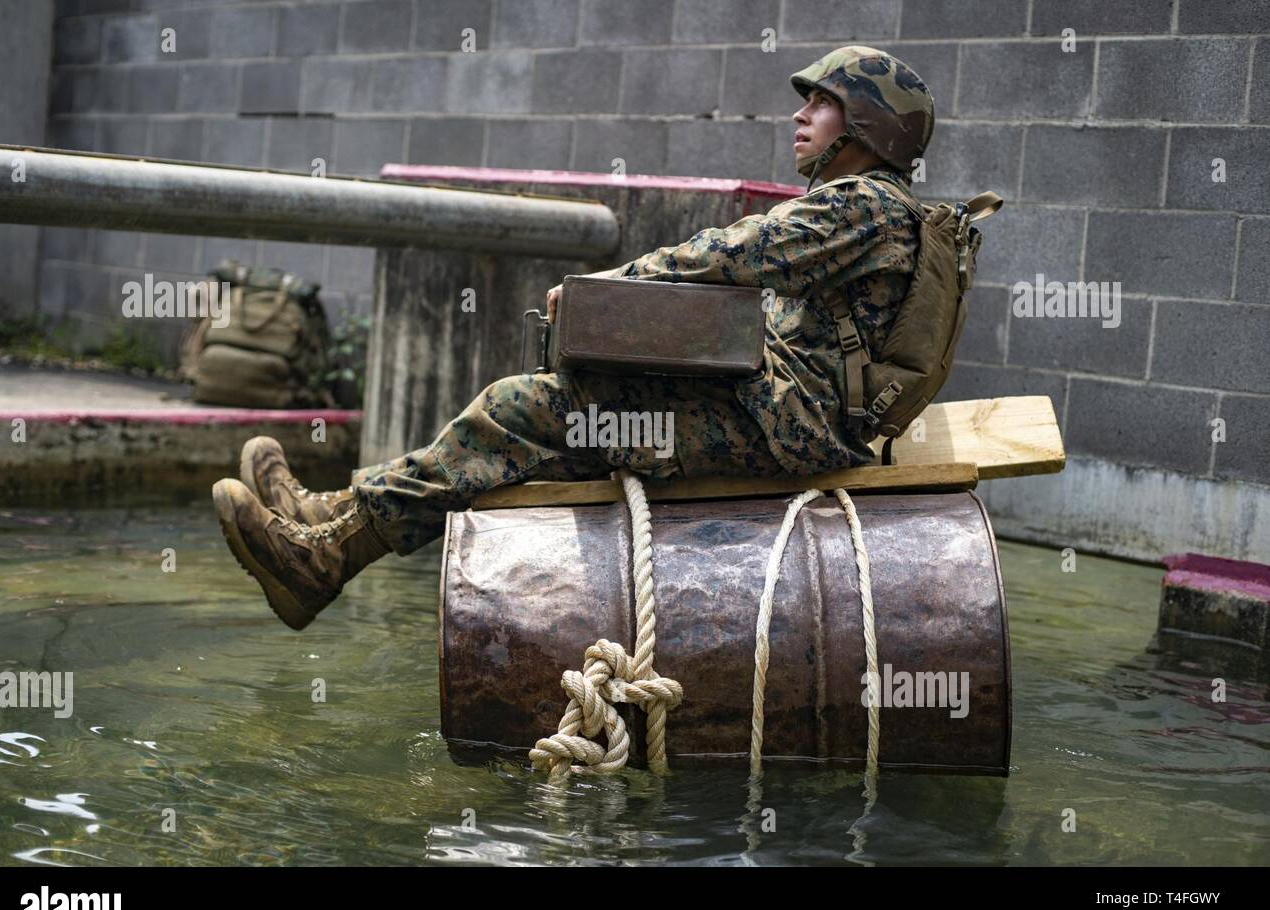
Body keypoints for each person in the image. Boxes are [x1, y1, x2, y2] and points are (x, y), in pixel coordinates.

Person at [212, 45, 935, 631]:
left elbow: (738, 253)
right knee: (538, 403)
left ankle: (327, 555)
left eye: (821, 103)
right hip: (773, 411)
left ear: (869, 124)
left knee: (528, 411)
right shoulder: (870, 209)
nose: (799, 115)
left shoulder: (867, 207)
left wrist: (612, 285)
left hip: (786, 432)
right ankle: (326, 516)